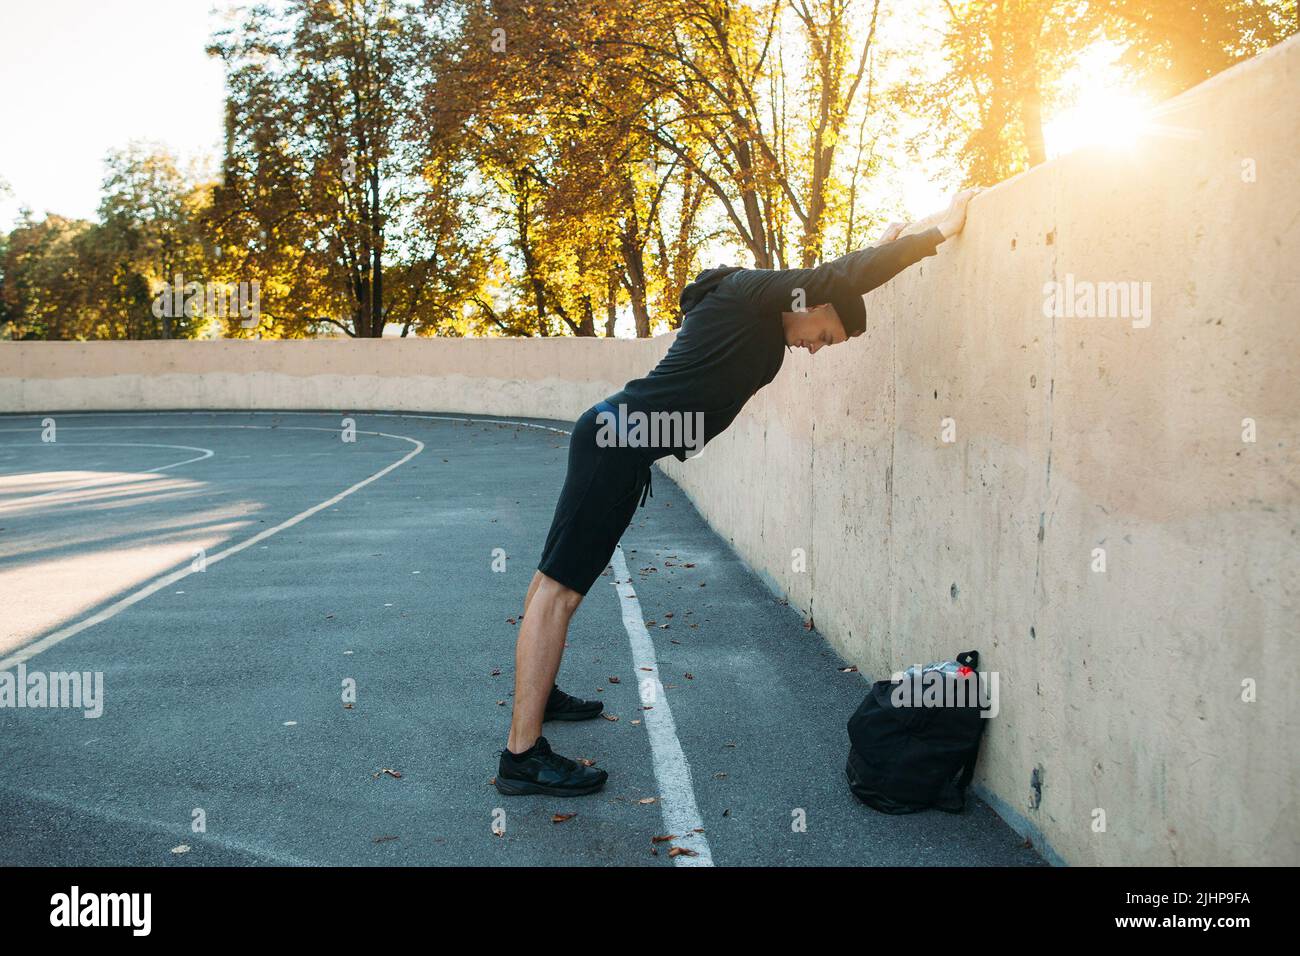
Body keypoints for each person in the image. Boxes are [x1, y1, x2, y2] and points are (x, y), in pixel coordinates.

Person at [494, 189, 981, 796]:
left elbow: (837, 281)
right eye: (826, 336)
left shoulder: (766, 315)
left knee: (555, 581)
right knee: (559, 591)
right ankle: (521, 757)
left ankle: (540, 693)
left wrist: (880, 247)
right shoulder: (748, 295)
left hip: (621, 446)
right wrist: (934, 236)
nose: (815, 349)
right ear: (814, 304)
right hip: (615, 444)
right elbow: (832, 278)